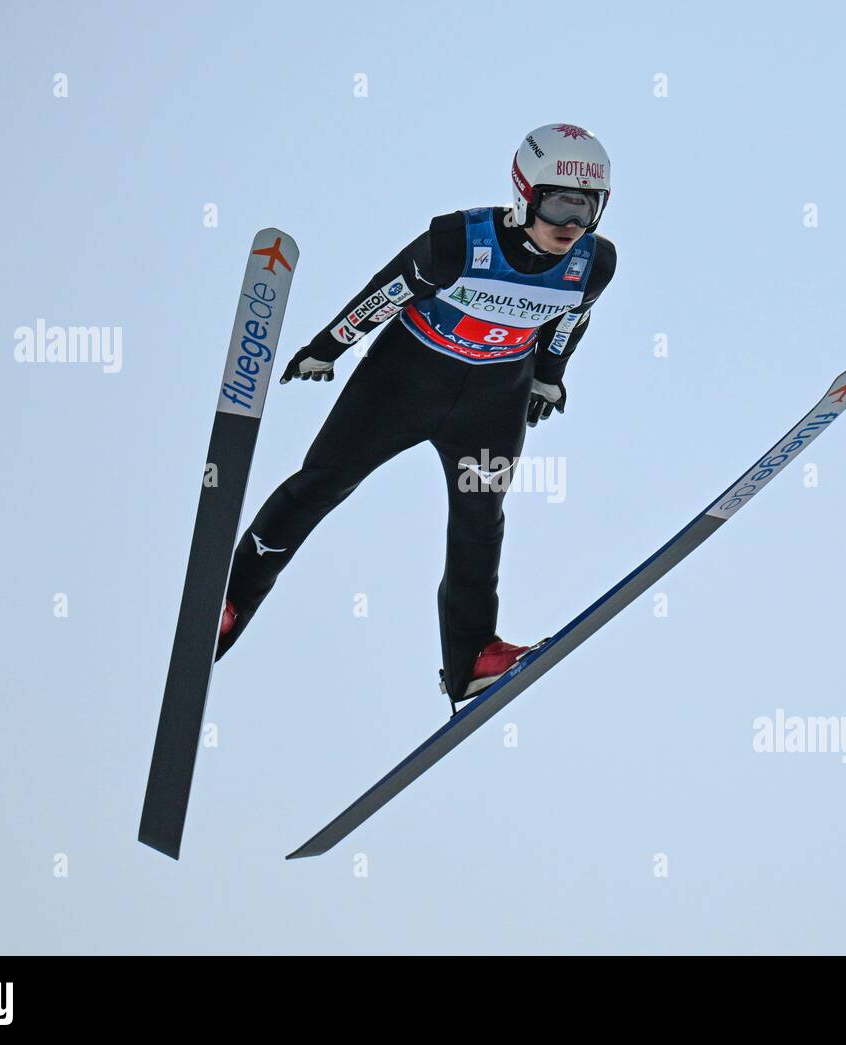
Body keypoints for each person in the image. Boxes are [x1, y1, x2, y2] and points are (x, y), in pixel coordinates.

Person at [216, 123, 617, 706]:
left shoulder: (593, 262)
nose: (572, 225)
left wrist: (548, 380)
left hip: (493, 398)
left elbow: (568, 321)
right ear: (525, 193)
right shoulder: (459, 240)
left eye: (589, 209)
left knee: (482, 519)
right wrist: (329, 347)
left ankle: (471, 658)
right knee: (322, 484)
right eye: (560, 204)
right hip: (404, 382)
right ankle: (227, 601)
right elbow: (388, 291)